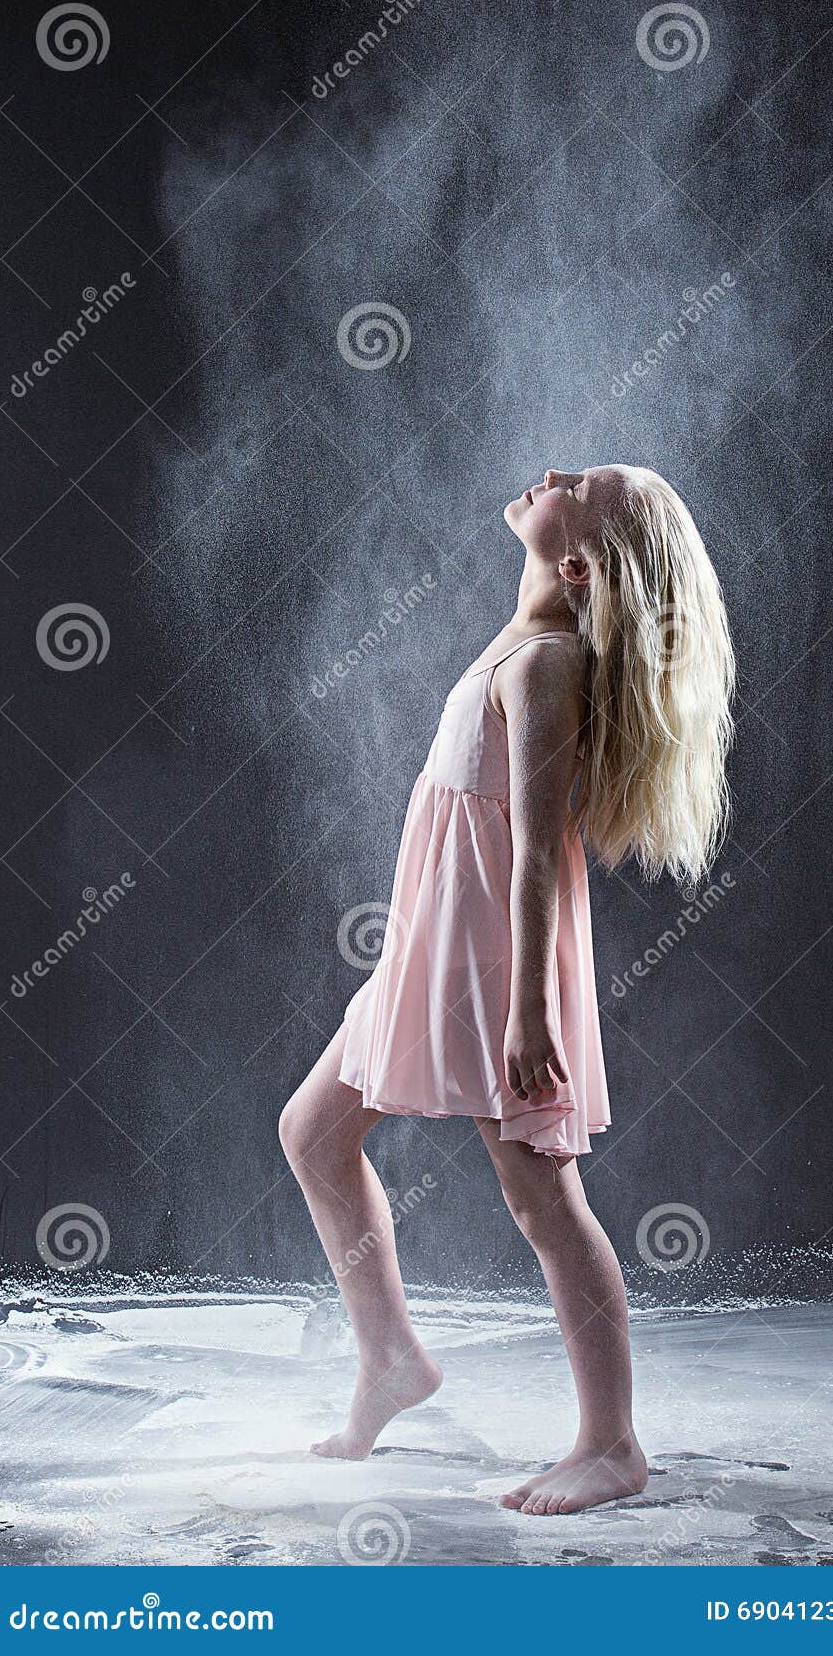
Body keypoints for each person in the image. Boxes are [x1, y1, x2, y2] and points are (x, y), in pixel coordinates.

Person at [279, 465, 734, 1515]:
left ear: (574, 562)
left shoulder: (544, 664)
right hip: (433, 949)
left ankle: (611, 1442)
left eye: (582, 485)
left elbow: (533, 853)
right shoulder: (523, 636)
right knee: (312, 1131)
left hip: (492, 964)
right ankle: (390, 1358)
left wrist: (526, 1010)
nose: (556, 472)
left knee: (540, 1194)